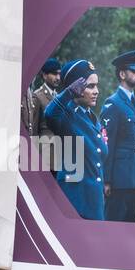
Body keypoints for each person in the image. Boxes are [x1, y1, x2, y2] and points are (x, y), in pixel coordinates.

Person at [43, 59, 107, 221]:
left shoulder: (91, 116)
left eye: (96, 85)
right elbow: (50, 114)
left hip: (94, 203)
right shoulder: (67, 115)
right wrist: (68, 93)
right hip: (75, 204)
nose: (96, 91)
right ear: (75, 87)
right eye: (90, 86)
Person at [100, 49, 135, 223]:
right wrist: (107, 180)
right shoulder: (113, 103)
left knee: (131, 230)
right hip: (118, 181)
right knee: (113, 229)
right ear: (122, 74)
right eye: (134, 71)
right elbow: (107, 144)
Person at [23, 57, 61, 137]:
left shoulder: (58, 97)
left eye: (59, 74)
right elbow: (34, 129)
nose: (58, 78)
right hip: (44, 148)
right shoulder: (37, 96)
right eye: (54, 74)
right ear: (44, 75)